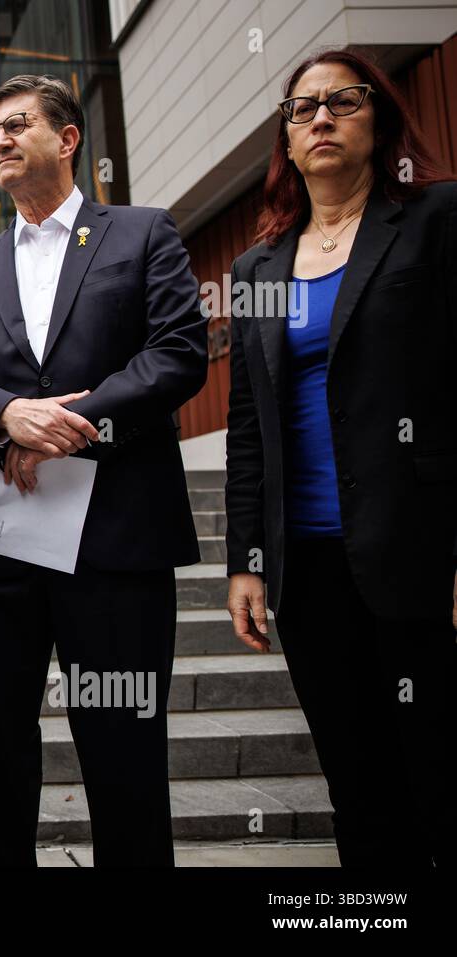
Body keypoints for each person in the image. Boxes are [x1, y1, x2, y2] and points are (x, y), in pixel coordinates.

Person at [0, 75, 209, 867]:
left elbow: (177, 354)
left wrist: (66, 421)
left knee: (124, 755)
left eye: (16, 125)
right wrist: (6, 418)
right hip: (0, 550)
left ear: (69, 138)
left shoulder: (142, 233)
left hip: (118, 546)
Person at [225, 48, 456, 868]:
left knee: (440, 775)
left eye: (343, 102)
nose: (321, 117)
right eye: (302, 109)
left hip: (423, 552)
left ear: (381, 120)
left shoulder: (437, 220)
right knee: (357, 786)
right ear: (286, 144)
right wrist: (246, 559)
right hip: (310, 568)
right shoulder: (258, 266)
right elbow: (250, 422)